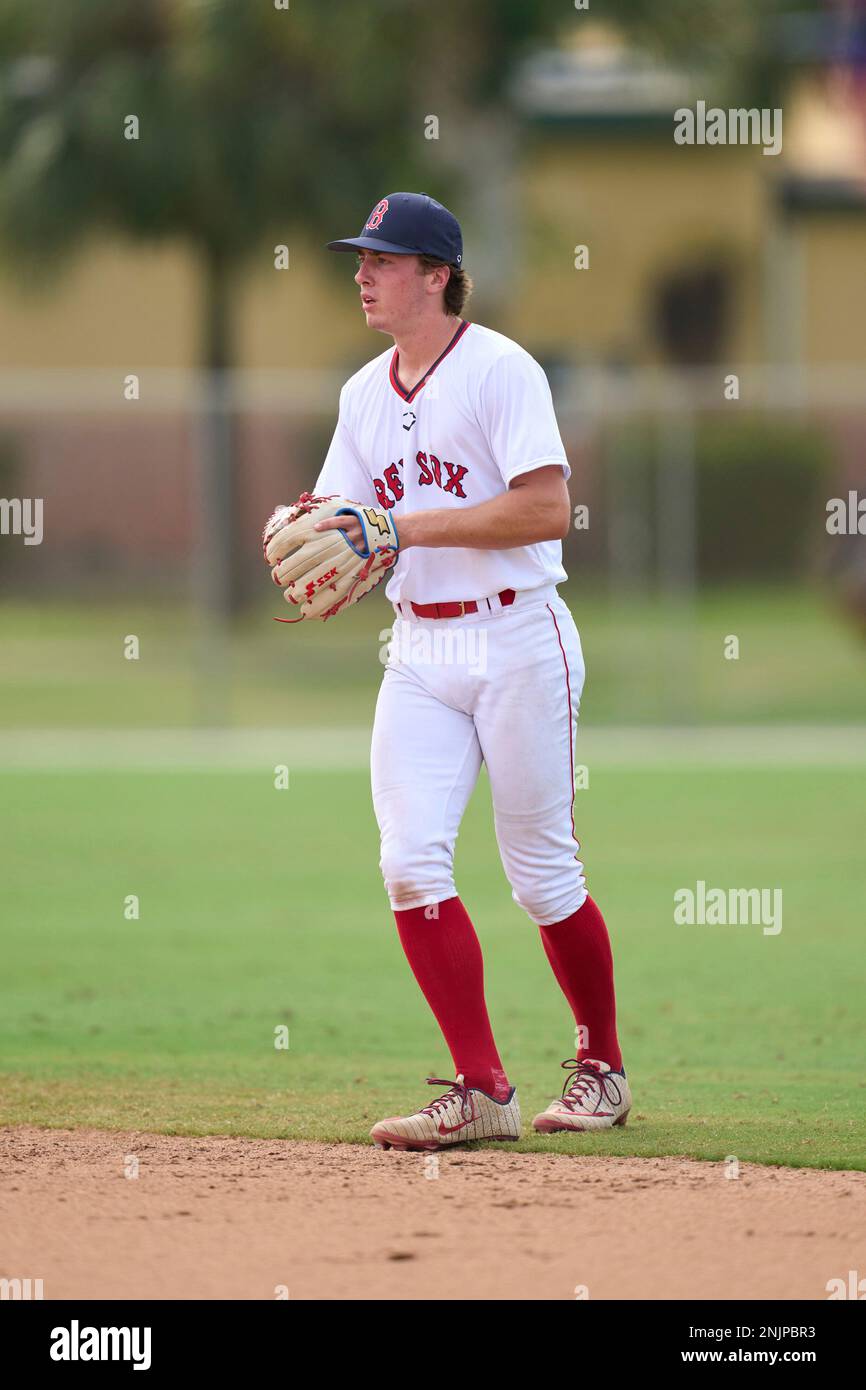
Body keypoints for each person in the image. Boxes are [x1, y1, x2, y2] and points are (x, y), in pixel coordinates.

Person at [311, 191, 631, 1150]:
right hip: (419, 648)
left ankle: (602, 1069)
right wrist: (302, 535)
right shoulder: (363, 393)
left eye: (383, 259)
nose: (362, 273)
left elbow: (545, 510)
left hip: (518, 637)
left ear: (437, 274)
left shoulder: (501, 370)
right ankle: (482, 1088)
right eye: (360, 258)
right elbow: (337, 512)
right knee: (409, 864)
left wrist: (398, 527)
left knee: (541, 874)